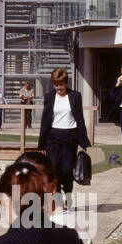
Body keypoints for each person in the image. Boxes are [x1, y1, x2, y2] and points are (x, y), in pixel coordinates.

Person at [37, 67, 91, 208]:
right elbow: (45, 120)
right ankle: (59, 198)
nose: (59, 87)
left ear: (66, 83)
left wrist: (83, 141)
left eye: (61, 84)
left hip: (70, 137)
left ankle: (68, 193)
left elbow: (80, 119)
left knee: (67, 169)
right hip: (53, 137)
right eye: (56, 84)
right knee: (54, 169)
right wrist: (41, 144)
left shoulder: (75, 96)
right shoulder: (49, 97)